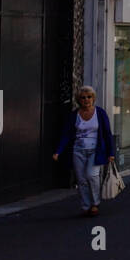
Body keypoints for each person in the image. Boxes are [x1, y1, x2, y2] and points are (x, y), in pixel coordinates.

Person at [52, 85, 116, 217]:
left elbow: (107, 134)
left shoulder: (100, 113)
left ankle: (95, 203)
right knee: (81, 179)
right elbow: (67, 134)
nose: (86, 100)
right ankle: (86, 206)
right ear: (79, 99)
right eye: (83, 97)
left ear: (93, 98)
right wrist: (58, 151)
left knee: (91, 176)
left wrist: (111, 153)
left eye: (89, 97)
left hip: (95, 151)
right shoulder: (74, 115)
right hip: (78, 150)